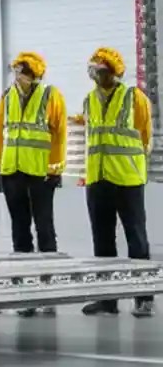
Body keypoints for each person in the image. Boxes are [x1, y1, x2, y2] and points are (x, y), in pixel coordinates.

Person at [76, 46, 153, 317]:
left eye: (99, 68)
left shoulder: (134, 98)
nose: (94, 72)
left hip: (128, 179)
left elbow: (144, 137)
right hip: (98, 179)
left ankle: (144, 298)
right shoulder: (89, 100)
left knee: (137, 241)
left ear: (112, 71)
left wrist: (132, 165)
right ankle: (107, 300)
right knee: (103, 242)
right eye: (93, 68)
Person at [0, 51, 66, 317]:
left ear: (33, 75)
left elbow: (60, 134)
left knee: (45, 229)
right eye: (15, 71)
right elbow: (0, 133)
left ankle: (48, 290)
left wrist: (56, 168)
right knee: (20, 232)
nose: (16, 75)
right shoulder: (7, 97)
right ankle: (25, 294)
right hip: (12, 171)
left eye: (21, 71)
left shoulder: (50, 95)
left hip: (40, 173)